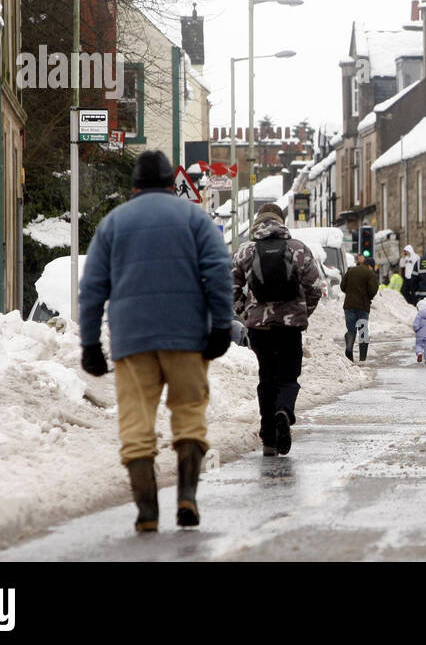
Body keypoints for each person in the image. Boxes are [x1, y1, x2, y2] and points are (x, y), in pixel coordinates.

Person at [79, 150, 233, 532]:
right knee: (189, 414)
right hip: (187, 337)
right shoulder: (195, 218)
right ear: (170, 183)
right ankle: (187, 497)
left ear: (134, 185)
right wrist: (221, 326)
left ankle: (147, 513)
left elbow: (92, 288)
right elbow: (218, 272)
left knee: (135, 423)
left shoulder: (113, 223)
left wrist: (90, 343)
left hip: (133, 340)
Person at [232, 208, 322, 458]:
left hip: (259, 328)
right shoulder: (299, 248)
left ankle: (269, 437)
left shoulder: (245, 251)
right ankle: (284, 410)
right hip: (289, 327)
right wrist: (302, 313)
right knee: (289, 375)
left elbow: (232, 287)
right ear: (282, 222)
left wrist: (245, 314)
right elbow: (314, 287)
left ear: (257, 221)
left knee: (266, 377)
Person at [341, 253, 379, 362]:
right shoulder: (370, 274)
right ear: (370, 266)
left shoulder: (351, 271)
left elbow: (342, 286)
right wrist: (367, 297)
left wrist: (350, 293)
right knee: (363, 331)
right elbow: (373, 290)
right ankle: (362, 358)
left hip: (349, 305)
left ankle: (349, 348)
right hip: (363, 307)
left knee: (351, 330)